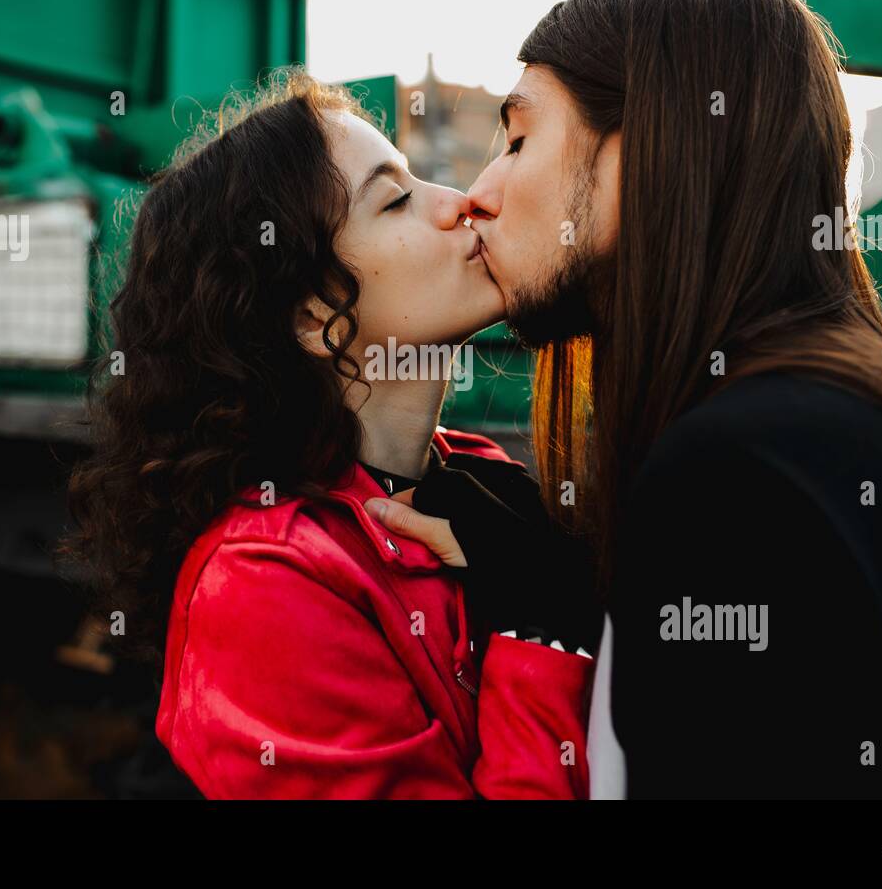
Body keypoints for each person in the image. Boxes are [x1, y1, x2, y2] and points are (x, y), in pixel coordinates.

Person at [368, 0, 882, 799]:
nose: (481, 191)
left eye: (522, 139)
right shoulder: (822, 422)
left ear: (644, 152)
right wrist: (573, 594)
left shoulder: (750, 472)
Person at [62, 69, 594, 798]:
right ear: (314, 317)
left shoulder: (476, 476)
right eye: (399, 199)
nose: (460, 201)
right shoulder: (265, 582)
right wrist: (545, 628)